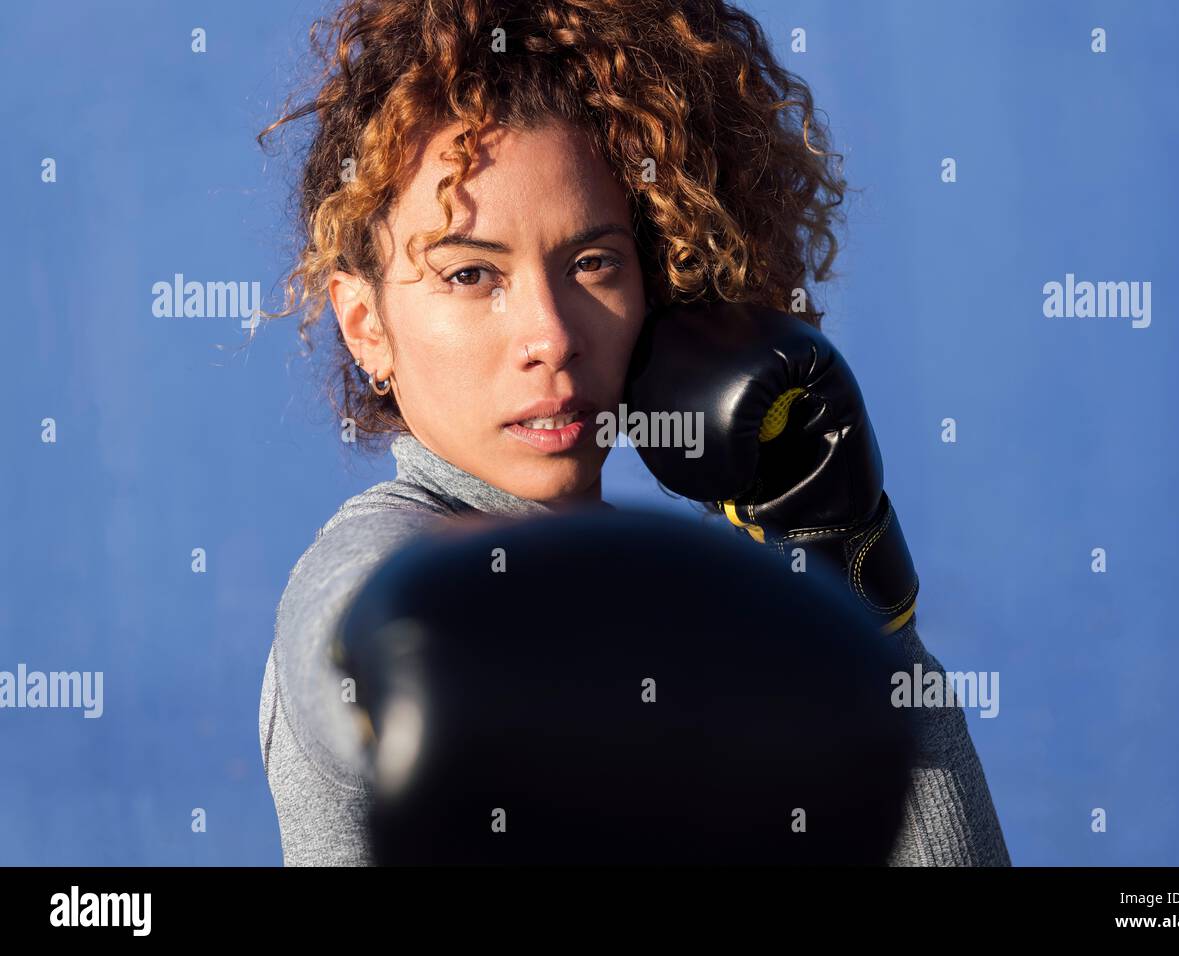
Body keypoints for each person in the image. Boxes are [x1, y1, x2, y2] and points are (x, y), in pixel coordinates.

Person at [255, 0, 1011, 866]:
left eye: (593, 263)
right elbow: (348, 640)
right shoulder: (371, 563)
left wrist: (858, 599)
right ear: (365, 325)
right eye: (471, 273)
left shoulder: (704, 598)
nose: (551, 335)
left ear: (662, 281)